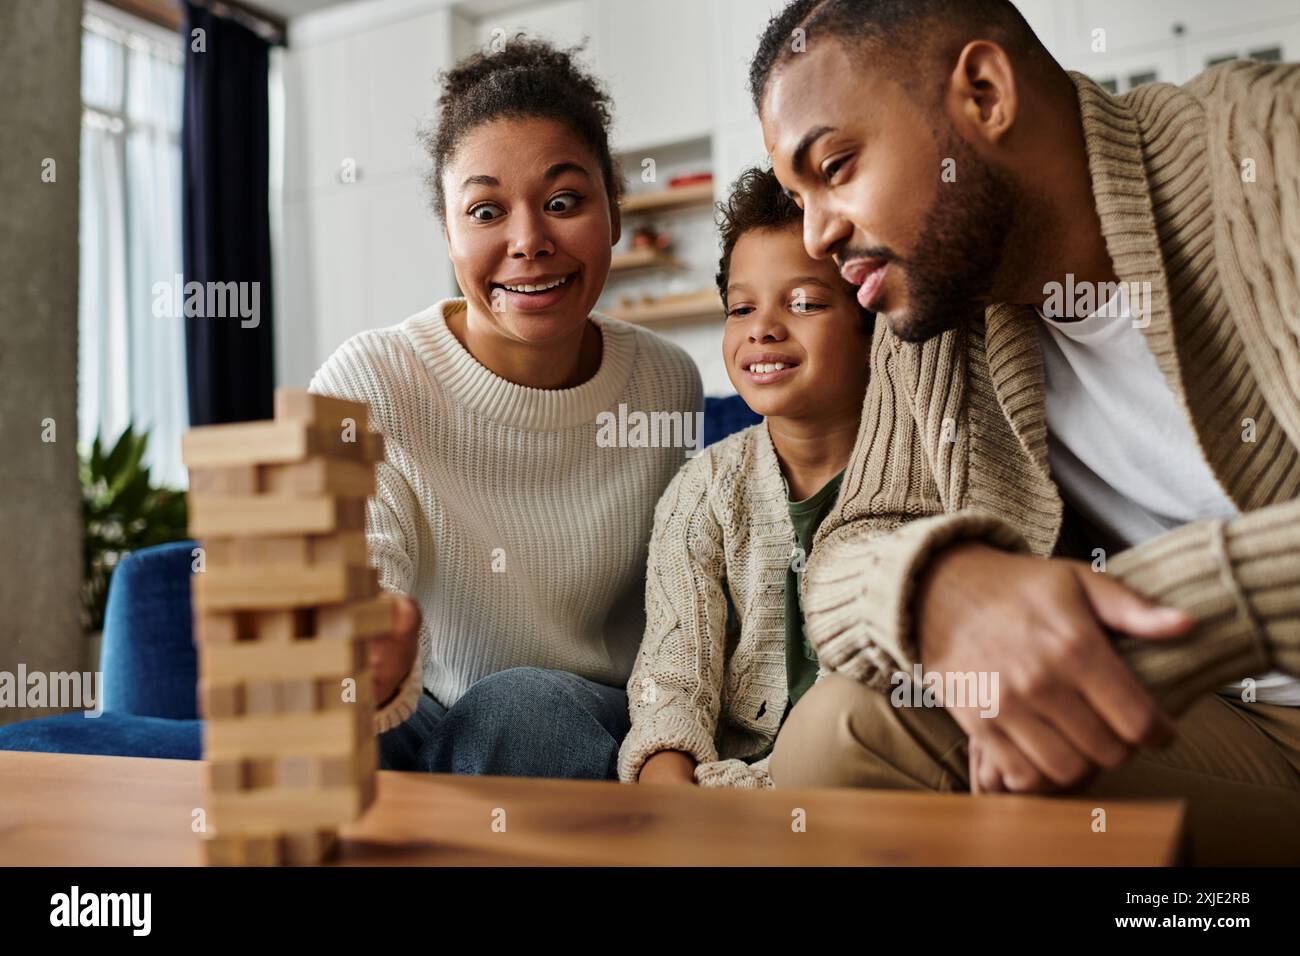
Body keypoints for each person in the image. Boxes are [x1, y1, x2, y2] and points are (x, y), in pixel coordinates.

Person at [751, 0, 1300, 862]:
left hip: (1195, 686)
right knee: (843, 736)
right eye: (796, 196)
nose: (817, 235)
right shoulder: (928, 309)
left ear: (983, 92)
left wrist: (1145, 616)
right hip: (1211, 729)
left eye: (837, 166)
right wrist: (937, 587)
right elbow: (848, 548)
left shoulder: (1271, 148)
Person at [310, 38, 702, 780]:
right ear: (450, 233)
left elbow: (686, 592)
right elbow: (356, 563)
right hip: (420, 706)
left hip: (582, 713)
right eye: (487, 210)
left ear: (614, 211)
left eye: (563, 202)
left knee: (517, 709)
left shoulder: (663, 382)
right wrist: (365, 643)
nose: (528, 241)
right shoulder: (371, 376)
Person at [619, 167, 872, 787]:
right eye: (740, 306)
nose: (762, 327)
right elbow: (672, 677)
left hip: (869, 779)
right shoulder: (704, 487)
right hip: (724, 784)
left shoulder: (923, 470)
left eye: (804, 302)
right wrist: (668, 782)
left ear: (874, 322)